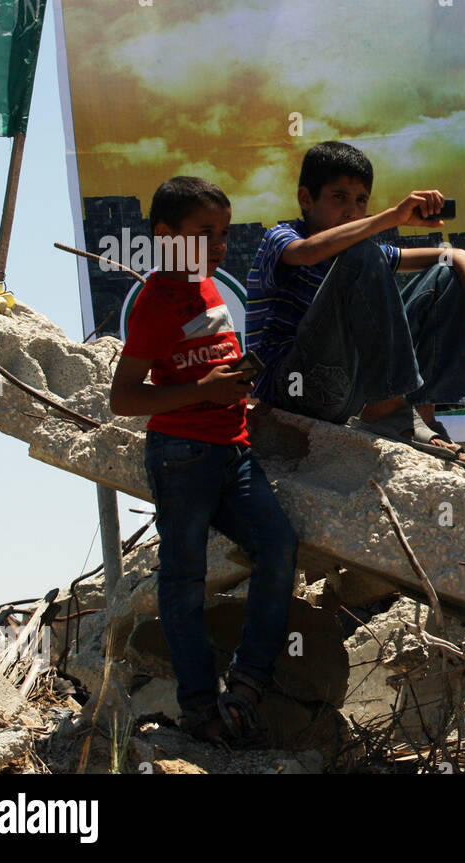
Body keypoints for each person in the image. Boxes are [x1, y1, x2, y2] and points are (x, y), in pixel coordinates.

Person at [109, 176, 298, 745]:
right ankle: (200, 709)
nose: (219, 246)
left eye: (225, 232)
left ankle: (246, 684)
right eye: (204, 233)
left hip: (234, 449)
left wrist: (239, 393)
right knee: (184, 579)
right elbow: (124, 399)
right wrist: (203, 392)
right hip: (182, 455)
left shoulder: (212, 289)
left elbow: (205, 365)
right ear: (166, 236)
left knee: (279, 544)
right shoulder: (155, 301)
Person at [244, 141, 465, 467]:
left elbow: (456, 256)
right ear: (305, 199)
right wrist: (392, 217)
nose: (351, 210)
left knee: (444, 273)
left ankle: (420, 417)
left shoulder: (362, 254)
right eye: (338, 197)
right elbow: (308, 253)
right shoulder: (281, 238)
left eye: (361, 200)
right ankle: (390, 407)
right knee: (362, 251)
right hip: (294, 391)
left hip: (346, 390)